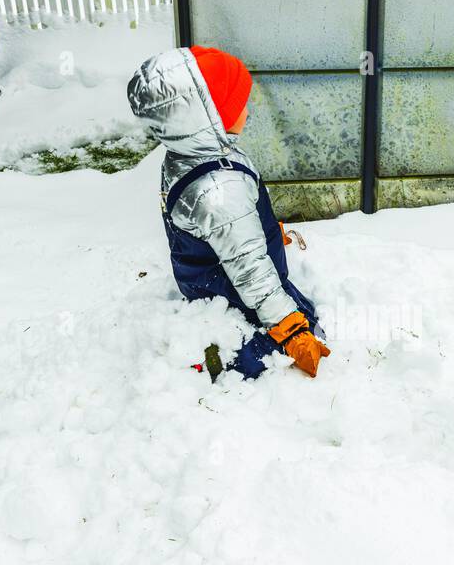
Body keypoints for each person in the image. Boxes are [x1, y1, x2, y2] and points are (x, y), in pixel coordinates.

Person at [127, 45, 331, 380]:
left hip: (208, 275)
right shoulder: (220, 189)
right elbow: (249, 268)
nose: (247, 108)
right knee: (280, 337)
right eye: (239, 102)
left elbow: (225, 229)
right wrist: (291, 330)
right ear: (208, 117)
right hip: (233, 290)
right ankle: (216, 360)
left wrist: (259, 230)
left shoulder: (189, 153)